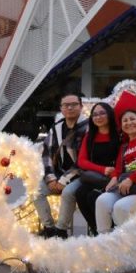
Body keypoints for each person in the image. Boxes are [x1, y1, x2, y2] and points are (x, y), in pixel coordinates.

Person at [94, 109, 136, 233]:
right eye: (125, 121)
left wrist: (132, 179)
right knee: (102, 200)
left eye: (132, 119)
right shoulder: (124, 146)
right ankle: (105, 241)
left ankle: (127, 245)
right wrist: (114, 177)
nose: (129, 122)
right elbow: (119, 169)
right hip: (124, 187)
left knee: (121, 207)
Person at [35, 92, 88, 239]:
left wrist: (63, 180)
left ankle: (61, 230)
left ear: (81, 106)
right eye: (66, 105)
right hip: (58, 174)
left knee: (68, 192)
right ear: (61, 108)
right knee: (36, 190)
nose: (70, 108)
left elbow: (84, 160)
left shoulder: (89, 128)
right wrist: (51, 178)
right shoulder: (56, 128)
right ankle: (49, 228)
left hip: (81, 175)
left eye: (74, 104)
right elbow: (46, 154)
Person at [73, 102, 121, 236]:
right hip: (96, 176)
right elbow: (82, 161)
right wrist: (103, 169)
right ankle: (96, 231)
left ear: (109, 115)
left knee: (93, 197)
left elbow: (122, 158)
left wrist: (114, 175)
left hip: (114, 177)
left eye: (102, 113)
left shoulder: (119, 134)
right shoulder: (89, 136)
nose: (98, 117)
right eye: (95, 114)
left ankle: (109, 231)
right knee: (80, 193)